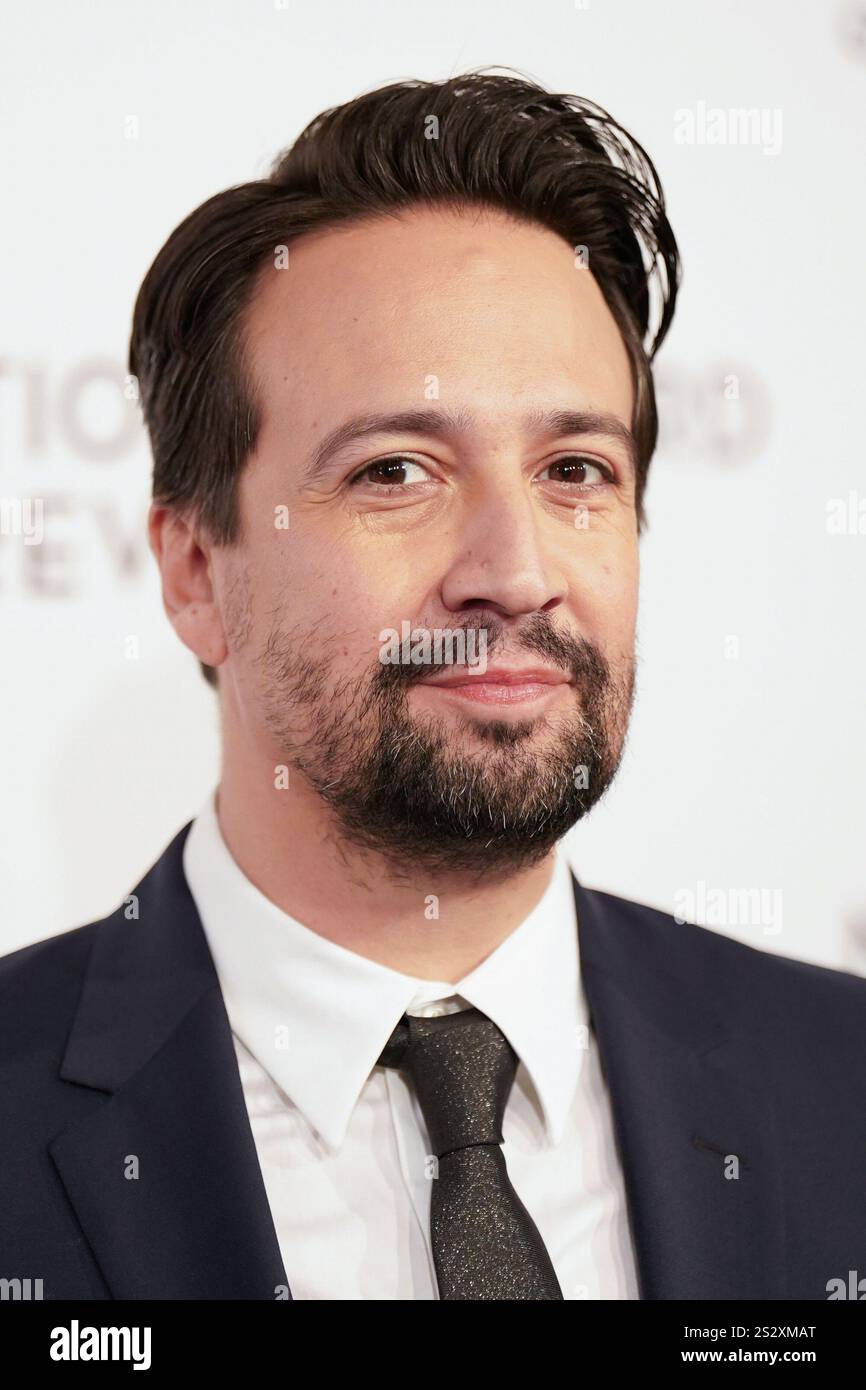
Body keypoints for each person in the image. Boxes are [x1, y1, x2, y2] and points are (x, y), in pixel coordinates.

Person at [2, 70, 864, 1302]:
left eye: (575, 468)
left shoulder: (840, 1082)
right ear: (196, 567)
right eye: (396, 471)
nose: (513, 574)